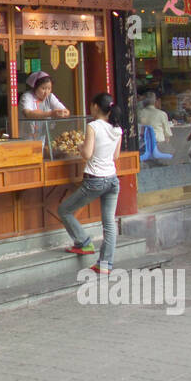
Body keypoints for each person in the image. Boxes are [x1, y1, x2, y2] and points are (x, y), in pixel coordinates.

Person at [58, 93, 124, 274]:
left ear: (95, 107)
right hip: (112, 180)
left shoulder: (93, 126)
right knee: (109, 224)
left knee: (64, 210)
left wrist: (80, 146)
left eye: (91, 106)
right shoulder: (117, 129)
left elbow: (86, 154)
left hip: (95, 180)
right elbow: (116, 156)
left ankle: (83, 242)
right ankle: (105, 265)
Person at [19, 71, 70, 154]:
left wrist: (63, 113)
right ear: (35, 87)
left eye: (49, 89)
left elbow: (66, 111)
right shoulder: (27, 96)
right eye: (43, 88)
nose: (46, 92)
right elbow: (28, 113)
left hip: (40, 138)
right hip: (25, 138)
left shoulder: (50, 97)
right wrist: (51, 113)